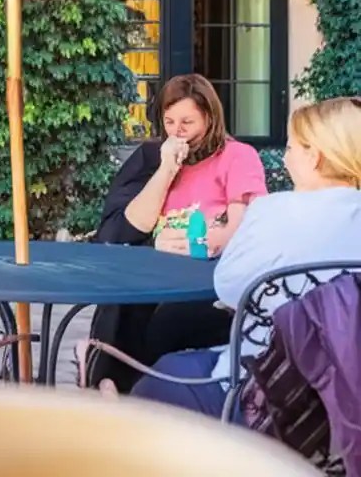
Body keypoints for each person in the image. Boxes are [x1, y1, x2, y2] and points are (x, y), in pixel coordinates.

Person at [132, 97, 361, 417]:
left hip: (263, 389)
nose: (284, 159)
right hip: (346, 392)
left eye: (291, 148)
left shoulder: (273, 211)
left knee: (156, 379)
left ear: (314, 156)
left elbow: (228, 287)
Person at [85, 74, 267, 393]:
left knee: (162, 322)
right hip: (160, 274)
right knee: (120, 300)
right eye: (169, 121)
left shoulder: (237, 156)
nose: (177, 131)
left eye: (187, 121)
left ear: (209, 118)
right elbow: (130, 226)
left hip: (210, 279)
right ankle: (107, 386)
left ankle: (139, 389)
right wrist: (166, 168)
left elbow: (244, 218)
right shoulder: (160, 160)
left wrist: (208, 240)